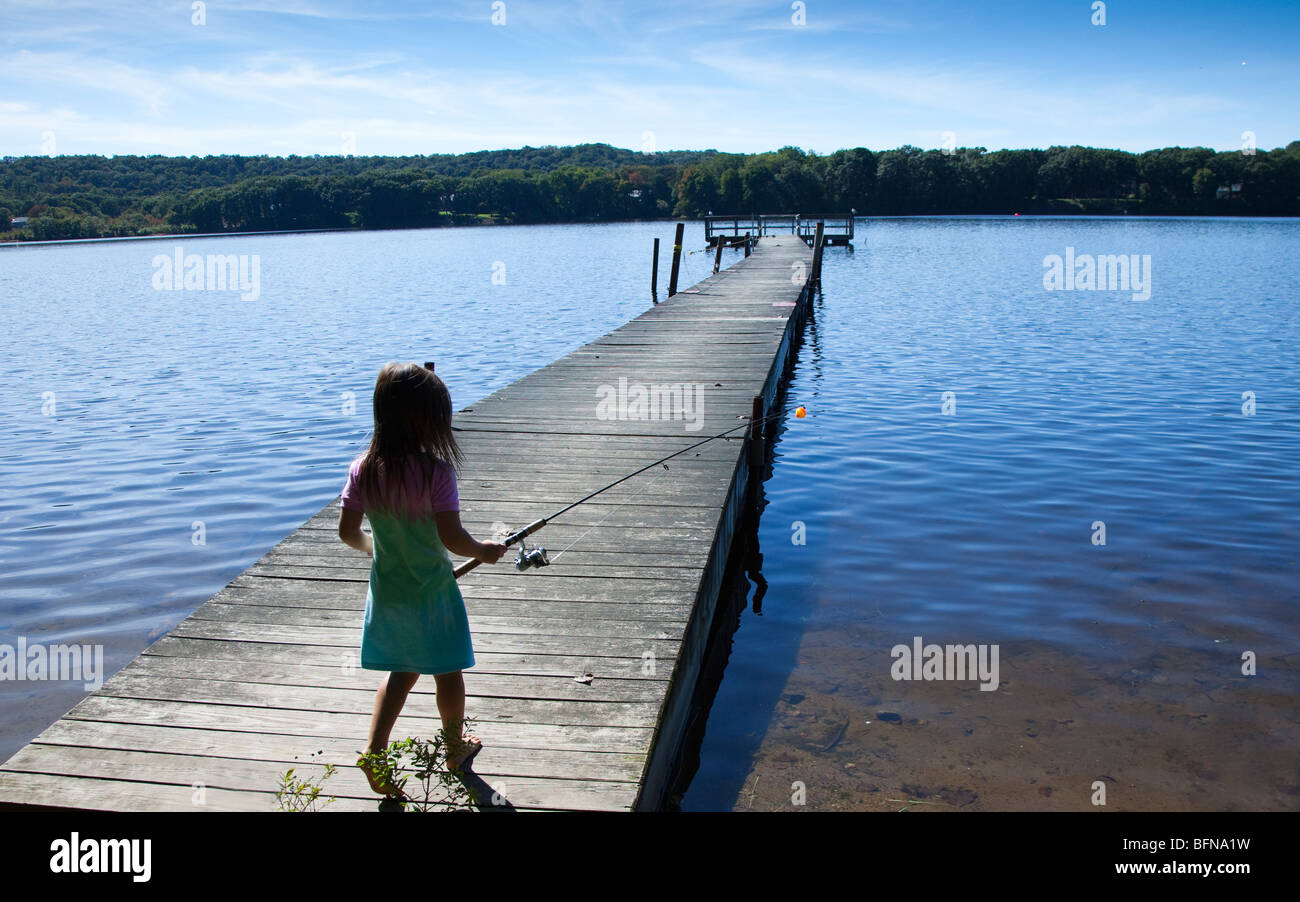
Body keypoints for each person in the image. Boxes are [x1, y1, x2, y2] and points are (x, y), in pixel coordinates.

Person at [337, 362, 506, 795]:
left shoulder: (363, 469)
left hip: (388, 592)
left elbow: (347, 533)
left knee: (401, 671)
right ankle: (454, 748)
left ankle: (375, 752)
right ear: (426, 421)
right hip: (432, 593)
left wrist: (377, 549)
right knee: (448, 672)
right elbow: (452, 538)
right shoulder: (436, 473)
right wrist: (485, 551)